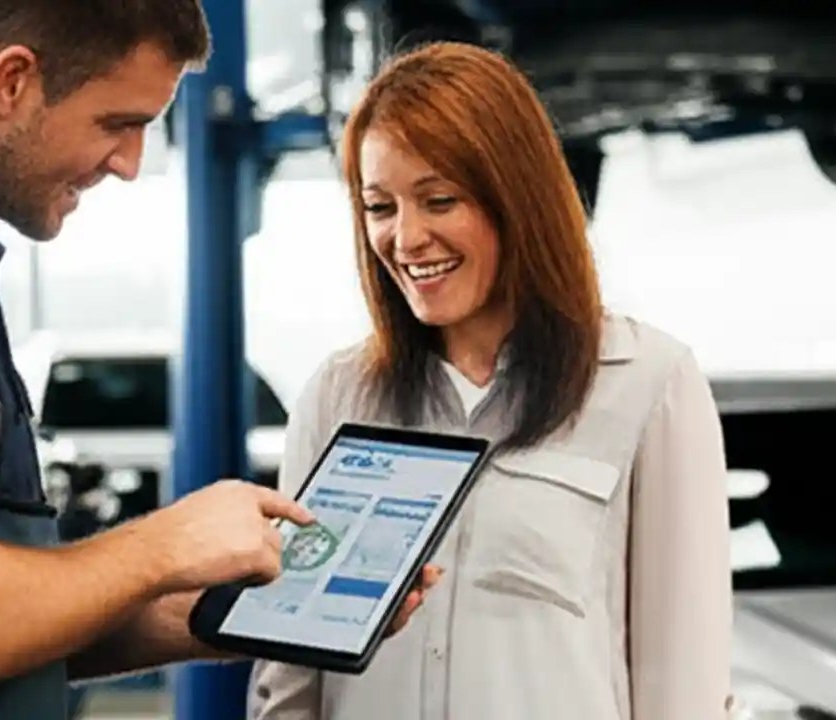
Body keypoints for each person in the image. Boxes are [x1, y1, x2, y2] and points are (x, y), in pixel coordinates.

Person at [0, 2, 434, 719]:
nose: (130, 165)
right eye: (117, 123)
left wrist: (261, 611)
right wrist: (166, 543)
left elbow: (11, 626)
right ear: (13, 81)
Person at [249, 41, 734, 720]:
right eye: (380, 208)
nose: (406, 239)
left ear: (518, 198)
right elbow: (291, 676)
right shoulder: (338, 394)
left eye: (439, 200)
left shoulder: (649, 384)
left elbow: (683, 687)